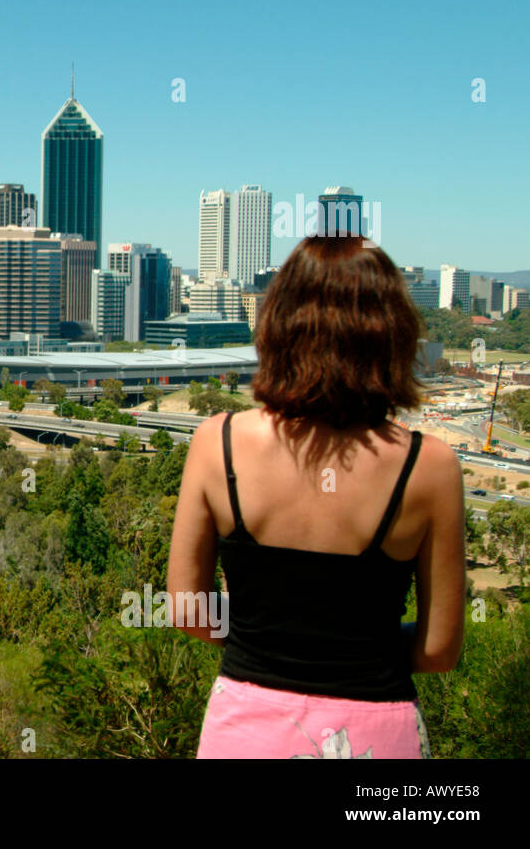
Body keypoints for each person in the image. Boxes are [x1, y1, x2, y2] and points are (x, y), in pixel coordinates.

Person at [167, 236, 465, 758]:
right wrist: (352, 645)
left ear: (279, 324)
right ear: (391, 333)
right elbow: (439, 649)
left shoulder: (219, 444)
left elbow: (189, 610)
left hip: (248, 727)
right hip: (377, 729)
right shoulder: (430, 465)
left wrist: (269, 635)